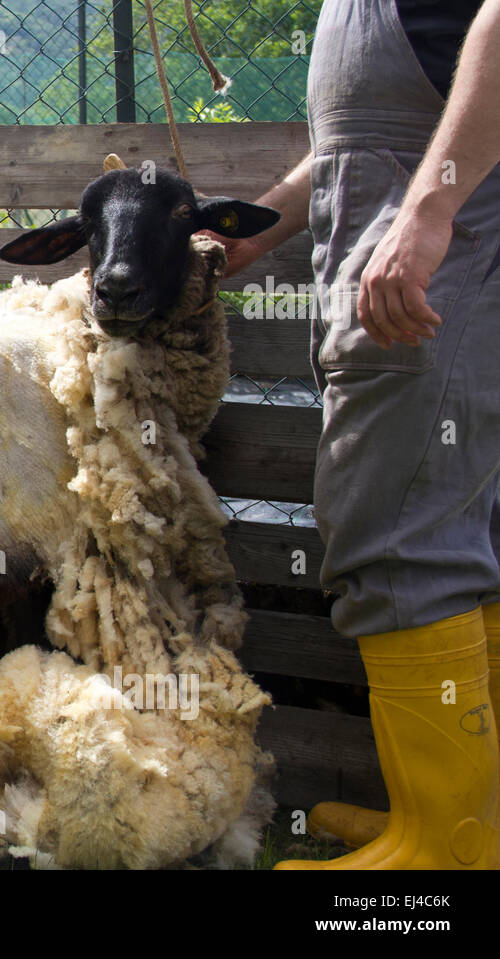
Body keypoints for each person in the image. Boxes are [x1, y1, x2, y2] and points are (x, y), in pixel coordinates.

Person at [208, 0, 500, 868]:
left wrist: (428, 215)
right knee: (465, 538)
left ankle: (442, 850)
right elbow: (358, 143)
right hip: (419, 293)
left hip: (426, 296)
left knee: (397, 534)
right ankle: (466, 819)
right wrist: (256, 230)